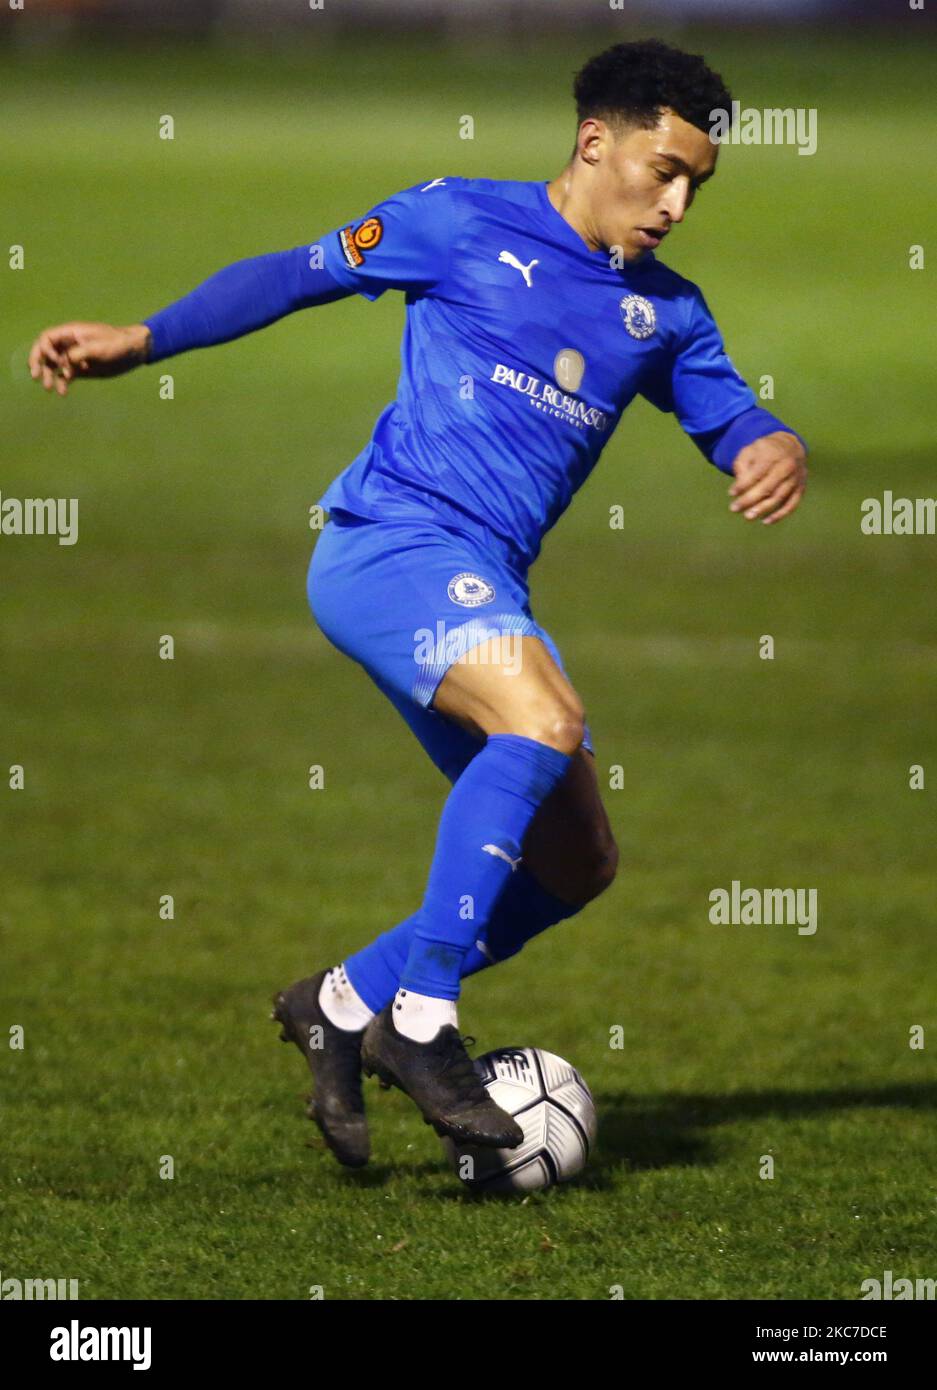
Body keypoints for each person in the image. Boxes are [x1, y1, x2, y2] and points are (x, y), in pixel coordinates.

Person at [29, 40, 808, 1169]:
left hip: (484, 575)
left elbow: (732, 419)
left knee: (574, 862)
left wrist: (770, 444)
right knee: (542, 719)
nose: (677, 202)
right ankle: (423, 1025)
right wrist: (146, 338)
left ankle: (342, 1004)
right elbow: (297, 273)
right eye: (662, 169)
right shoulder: (457, 221)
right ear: (596, 142)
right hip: (388, 545)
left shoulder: (667, 315)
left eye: (697, 183)